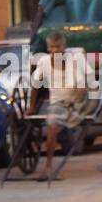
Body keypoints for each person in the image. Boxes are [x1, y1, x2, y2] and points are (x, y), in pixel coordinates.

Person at [30, 29, 89, 181]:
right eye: (51, 47)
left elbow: (82, 86)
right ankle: (48, 166)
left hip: (76, 102)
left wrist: (79, 93)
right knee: (53, 125)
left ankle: (50, 164)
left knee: (56, 124)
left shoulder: (75, 61)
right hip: (57, 103)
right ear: (48, 48)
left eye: (58, 47)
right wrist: (31, 107)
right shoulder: (44, 62)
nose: (54, 50)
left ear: (64, 47)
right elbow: (35, 85)